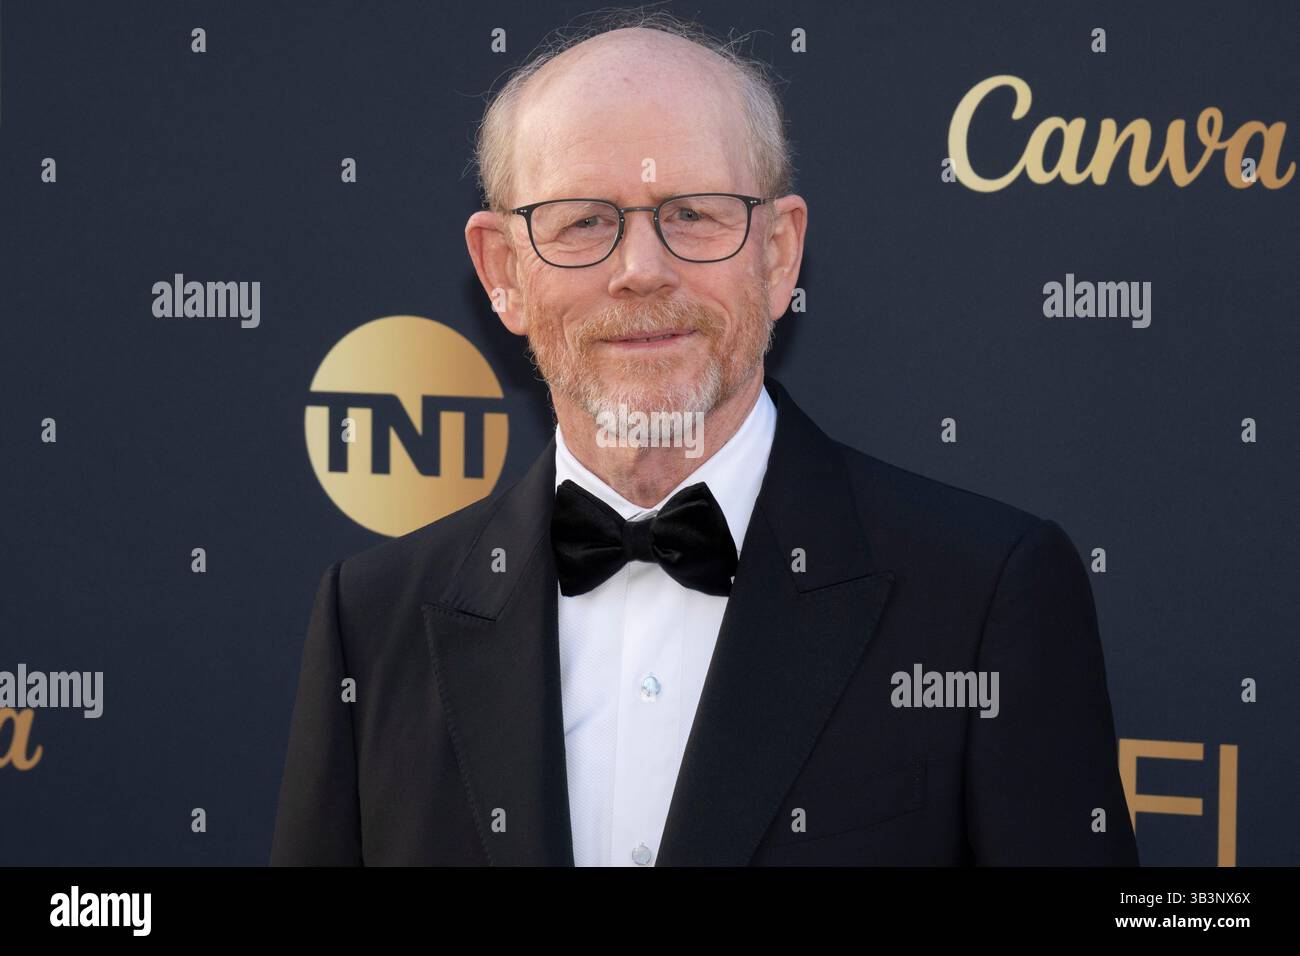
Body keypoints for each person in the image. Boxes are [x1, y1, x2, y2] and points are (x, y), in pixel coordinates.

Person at [271, 11, 1139, 866]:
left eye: (691, 213)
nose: (641, 269)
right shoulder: (373, 621)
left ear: (778, 254)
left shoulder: (985, 596)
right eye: (582, 220)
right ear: (504, 274)